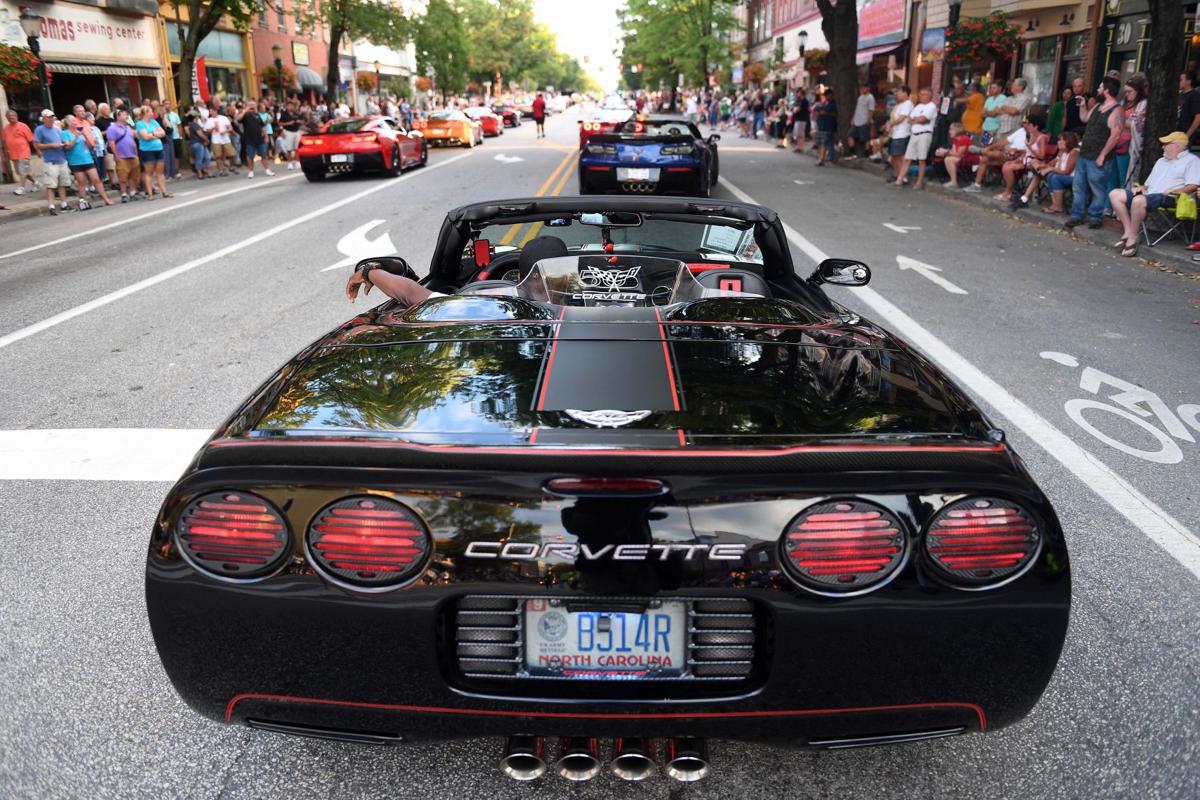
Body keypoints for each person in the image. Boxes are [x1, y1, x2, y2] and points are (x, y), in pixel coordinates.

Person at [1108, 131, 1200, 257]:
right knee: (1115, 194)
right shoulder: (1161, 161)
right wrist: (1141, 187)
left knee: (1138, 200)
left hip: (1171, 197)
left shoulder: (1192, 161)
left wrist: (1177, 191)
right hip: (1150, 194)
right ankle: (1129, 231)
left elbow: (1193, 185)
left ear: (1177, 146)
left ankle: (1133, 238)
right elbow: (1148, 184)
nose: (1163, 147)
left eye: (1166, 144)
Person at [1066, 76, 1125, 230]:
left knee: (1098, 188)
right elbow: (1084, 118)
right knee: (1078, 186)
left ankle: (1095, 217)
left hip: (1099, 157)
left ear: (1106, 90)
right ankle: (1077, 215)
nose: (1097, 89)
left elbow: (1115, 135)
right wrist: (1083, 105)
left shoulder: (1116, 110)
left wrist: (1103, 155)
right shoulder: (1098, 106)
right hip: (1085, 153)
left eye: (1100, 87)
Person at [61, 110, 112, 209]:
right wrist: (76, 137)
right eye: (72, 120)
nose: (75, 121)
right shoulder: (65, 133)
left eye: (74, 120)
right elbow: (68, 147)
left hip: (87, 158)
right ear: (67, 122)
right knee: (81, 182)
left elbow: (90, 146)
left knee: (96, 179)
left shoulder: (81, 131)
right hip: (75, 161)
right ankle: (83, 201)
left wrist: (85, 135)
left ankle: (106, 199)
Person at [894, 87, 937, 189]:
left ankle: (919, 182)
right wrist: (917, 120)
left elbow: (924, 119)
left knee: (921, 159)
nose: (921, 96)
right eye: (920, 94)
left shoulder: (932, 106)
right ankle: (899, 180)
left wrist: (917, 119)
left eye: (924, 94)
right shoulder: (918, 106)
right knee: (907, 158)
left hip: (924, 134)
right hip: (914, 134)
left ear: (930, 96)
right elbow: (910, 119)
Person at [1000, 114, 1048, 204]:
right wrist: (1020, 156)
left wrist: (1030, 147)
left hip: (1034, 162)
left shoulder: (1042, 138)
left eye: (1029, 124)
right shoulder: (1032, 135)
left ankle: (1008, 192)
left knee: (1008, 168)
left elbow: (1042, 156)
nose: (1027, 126)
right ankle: (1010, 191)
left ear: (1036, 126)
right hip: (1026, 159)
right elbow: (1027, 152)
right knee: (1006, 165)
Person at [33, 110, 72, 215]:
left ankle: (64, 204)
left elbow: (63, 142)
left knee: (62, 183)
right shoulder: (39, 130)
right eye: (49, 117)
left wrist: (65, 143)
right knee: (50, 185)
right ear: (44, 118)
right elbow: (37, 145)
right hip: (50, 161)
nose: (51, 119)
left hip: (62, 159)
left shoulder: (57, 129)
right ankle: (51, 206)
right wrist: (51, 145)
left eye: (52, 117)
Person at [1035, 131, 1081, 214]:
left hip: (1074, 177)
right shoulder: (1063, 151)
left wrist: (1051, 169)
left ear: (1068, 141)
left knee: (1055, 177)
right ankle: (1055, 204)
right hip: (1064, 176)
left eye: (1060, 140)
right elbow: (1054, 164)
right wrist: (1047, 166)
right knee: (1051, 176)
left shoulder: (1074, 152)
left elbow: (1066, 172)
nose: (1058, 142)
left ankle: (1059, 206)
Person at [135, 104, 172, 199]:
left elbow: (163, 133)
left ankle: (164, 191)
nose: (152, 113)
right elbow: (145, 137)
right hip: (147, 150)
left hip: (158, 148)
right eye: (151, 111)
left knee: (160, 171)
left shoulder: (154, 122)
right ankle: (150, 193)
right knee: (149, 172)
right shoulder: (140, 123)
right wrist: (156, 134)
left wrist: (152, 134)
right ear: (146, 113)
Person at [106, 108, 141, 202]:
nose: (127, 116)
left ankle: (133, 192)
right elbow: (111, 143)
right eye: (124, 114)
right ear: (118, 116)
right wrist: (116, 155)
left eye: (127, 114)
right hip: (121, 156)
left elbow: (133, 141)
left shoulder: (128, 127)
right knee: (122, 176)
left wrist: (136, 153)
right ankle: (124, 194)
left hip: (132, 154)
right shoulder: (112, 128)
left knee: (133, 175)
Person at [1120, 75, 1148, 191]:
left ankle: (1124, 202)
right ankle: (1109, 206)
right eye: (1125, 92)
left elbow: (1138, 125)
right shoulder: (1123, 103)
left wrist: (1120, 121)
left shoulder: (1143, 104)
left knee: (1126, 177)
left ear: (1138, 91)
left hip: (1130, 145)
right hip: (1117, 142)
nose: (1127, 94)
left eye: (1130, 91)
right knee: (1112, 178)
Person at [3, 109, 37, 195]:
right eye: (9, 116)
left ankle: (21, 188)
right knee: (22, 172)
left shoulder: (23, 126)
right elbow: (5, 141)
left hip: (24, 152)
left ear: (16, 116)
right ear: (6, 118)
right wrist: (6, 152)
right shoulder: (6, 128)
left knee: (23, 170)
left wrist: (37, 150)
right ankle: (35, 183)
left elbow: (31, 139)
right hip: (13, 154)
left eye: (13, 116)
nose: (11, 118)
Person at [238, 100, 273, 178]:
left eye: (253, 104)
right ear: (247, 105)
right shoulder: (245, 114)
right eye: (250, 104)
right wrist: (245, 110)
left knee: (264, 155)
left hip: (260, 138)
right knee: (250, 156)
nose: (252, 105)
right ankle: (251, 171)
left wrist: (266, 136)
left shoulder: (257, 114)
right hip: (249, 139)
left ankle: (267, 170)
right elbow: (238, 119)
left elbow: (262, 126)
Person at [886, 85, 913, 178]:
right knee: (894, 156)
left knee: (899, 156)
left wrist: (891, 124)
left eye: (899, 92)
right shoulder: (899, 105)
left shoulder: (908, 103)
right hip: (895, 134)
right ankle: (898, 174)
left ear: (905, 93)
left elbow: (901, 118)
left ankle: (903, 176)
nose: (897, 94)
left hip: (902, 133)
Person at [938, 122, 974, 189]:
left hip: (968, 157)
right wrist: (945, 152)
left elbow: (959, 154)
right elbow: (953, 151)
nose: (949, 131)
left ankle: (954, 182)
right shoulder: (955, 139)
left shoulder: (964, 139)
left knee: (951, 159)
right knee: (947, 159)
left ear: (957, 130)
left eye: (951, 129)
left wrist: (946, 152)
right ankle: (952, 180)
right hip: (961, 156)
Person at [847, 83, 874, 159]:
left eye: (863, 88)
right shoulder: (860, 98)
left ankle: (866, 153)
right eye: (861, 88)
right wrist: (853, 118)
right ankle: (852, 152)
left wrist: (868, 120)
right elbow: (857, 109)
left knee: (865, 138)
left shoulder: (870, 98)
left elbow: (871, 110)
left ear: (867, 88)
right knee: (850, 135)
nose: (861, 89)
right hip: (856, 121)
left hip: (864, 120)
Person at [812, 89, 838, 166]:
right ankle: (826, 157)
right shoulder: (823, 103)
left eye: (828, 95)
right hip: (821, 125)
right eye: (826, 95)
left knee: (826, 143)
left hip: (829, 125)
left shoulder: (833, 104)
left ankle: (823, 158)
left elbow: (835, 114)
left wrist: (826, 113)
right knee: (822, 143)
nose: (827, 96)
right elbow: (816, 109)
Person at [186, 111, 214, 179]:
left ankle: (208, 172)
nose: (198, 118)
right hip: (198, 143)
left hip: (200, 143)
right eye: (197, 116)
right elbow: (200, 134)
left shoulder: (192, 125)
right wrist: (206, 139)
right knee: (200, 158)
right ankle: (200, 174)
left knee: (207, 157)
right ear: (195, 117)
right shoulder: (194, 124)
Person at [1178, 72, 1200, 152]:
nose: (1179, 82)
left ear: (1188, 81)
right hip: (1176, 133)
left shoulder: (1194, 95)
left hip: (1185, 134)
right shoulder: (1179, 94)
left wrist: (1187, 135)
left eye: (1181, 80)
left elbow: (1198, 117)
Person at [277, 99, 301, 170]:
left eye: (292, 105)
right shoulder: (284, 113)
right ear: (287, 106)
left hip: (296, 131)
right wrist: (288, 123)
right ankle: (290, 163)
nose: (291, 107)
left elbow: (302, 120)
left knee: (297, 148)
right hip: (288, 131)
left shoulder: (296, 113)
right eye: (289, 105)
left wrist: (299, 121)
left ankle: (297, 162)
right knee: (289, 149)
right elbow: (280, 123)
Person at [980, 80, 1006, 145]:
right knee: (984, 147)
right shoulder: (989, 99)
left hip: (995, 128)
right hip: (985, 127)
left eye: (994, 88)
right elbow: (982, 114)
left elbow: (993, 114)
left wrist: (988, 112)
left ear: (1000, 88)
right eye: (991, 88)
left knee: (990, 148)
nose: (992, 89)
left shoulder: (1003, 98)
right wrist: (990, 112)